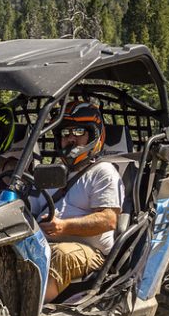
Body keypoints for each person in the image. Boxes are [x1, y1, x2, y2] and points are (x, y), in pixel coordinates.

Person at [39, 100, 123, 302]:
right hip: (44, 242)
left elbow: (108, 220)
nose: (70, 139)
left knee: (59, 256)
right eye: (65, 134)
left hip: (91, 251)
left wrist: (64, 226)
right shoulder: (54, 171)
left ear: (93, 136)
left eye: (78, 132)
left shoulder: (103, 172)